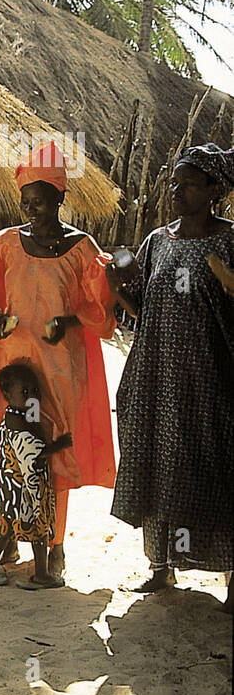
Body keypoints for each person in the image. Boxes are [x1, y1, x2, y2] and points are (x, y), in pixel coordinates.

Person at [0, 141, 116, 580]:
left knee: (52, 448)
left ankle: (53, 547)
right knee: (8, 445)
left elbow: (100, 312)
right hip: (12, 364)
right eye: (27, 203)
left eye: (42, 201)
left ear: (60, 198)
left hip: (59, 366)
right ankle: (7, 536)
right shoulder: (3, 245)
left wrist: (67, 320)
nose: (33, 210)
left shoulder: (83, 249)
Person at [108, 144, 234, 613]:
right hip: (155, 376)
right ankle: (161, 567)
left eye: (188, 183)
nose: (176, 190)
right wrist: (117, 290)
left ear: (214, 190)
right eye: (173, 182)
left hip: (211, 380)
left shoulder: (229, 242)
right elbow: (140, 309)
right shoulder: (158, 241)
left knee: (213, 465)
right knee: (159, 463)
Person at [0, 361, 72, 590]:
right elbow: (33, 453)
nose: (32, 397)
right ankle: (42, 573)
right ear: (8, 394)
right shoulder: (18, 421)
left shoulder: (19, 415)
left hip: (9, 492)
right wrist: (59, 445)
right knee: (38, 532)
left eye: (35, 391)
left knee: (4, 530)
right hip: (24, 492)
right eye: (25, 392)